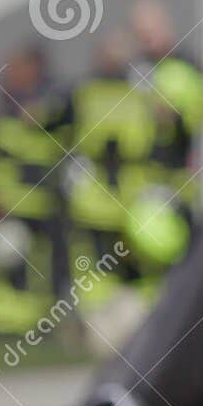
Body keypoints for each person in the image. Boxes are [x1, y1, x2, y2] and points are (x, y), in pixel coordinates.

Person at [0, 48, 65, 338]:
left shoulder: (54, 110)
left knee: (39, 271)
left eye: (15, 68)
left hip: (41, 210)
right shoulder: (0, 115)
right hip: (7, 210)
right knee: (3, 262)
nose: (9, 75)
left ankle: (37, 325)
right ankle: (1, 323)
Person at [63, 34, 153, 310]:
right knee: (94, 262)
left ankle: (128, 321)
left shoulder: (140, 92)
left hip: (128, 198)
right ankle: (97, 321)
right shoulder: (85, 92)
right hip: (98, 195)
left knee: (131, 265)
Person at [127, 0, 203, 291]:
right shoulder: (137, 68)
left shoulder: (183, 68)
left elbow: (193, 118)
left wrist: (171, 112)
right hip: (139, 182)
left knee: (170, 249)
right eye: (140, 33)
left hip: (175, 181)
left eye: (150, 30)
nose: (146, 39)